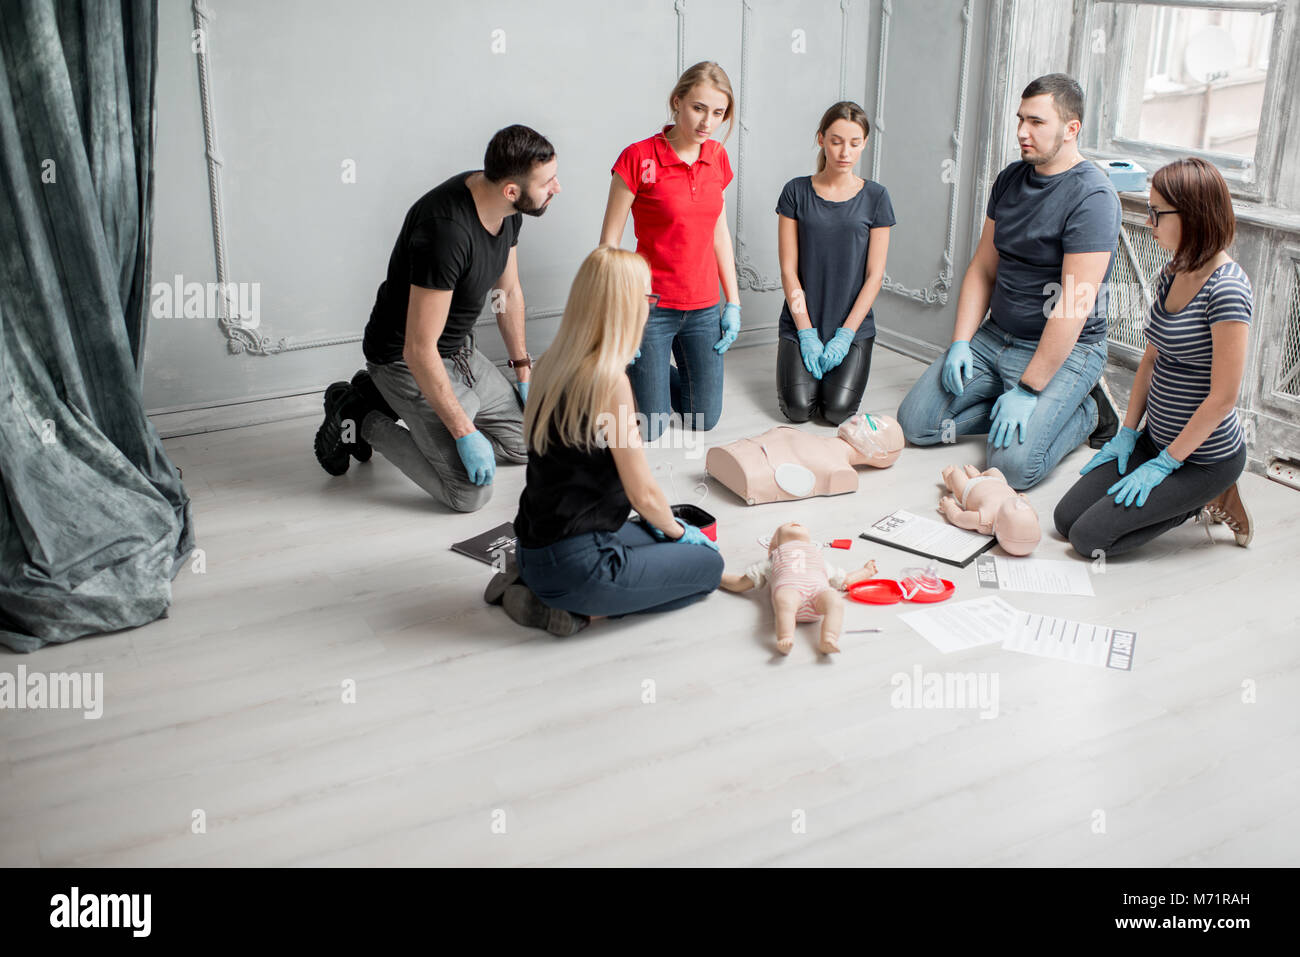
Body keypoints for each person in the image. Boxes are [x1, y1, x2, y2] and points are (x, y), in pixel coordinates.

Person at [313, 125, 561, 513]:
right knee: (468, 494)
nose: (556, 188)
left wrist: (524, 373)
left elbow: (507, 293)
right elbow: (418, 348)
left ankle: (397, 400)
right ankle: (358, 413)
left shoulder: (509, 208)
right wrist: (464, 431)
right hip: (404, 358)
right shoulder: (445, 232)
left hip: (457, 350)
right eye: (548, 182)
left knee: (529, 445)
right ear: (512, 189)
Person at [895, 73, 1122, 490]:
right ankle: (1013, 396)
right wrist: (962, 340)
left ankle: (1088, 410)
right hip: (994, 337)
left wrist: (1031, 388)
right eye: (1020, 119)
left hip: (1064, 348)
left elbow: (1073, 307)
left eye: (1036, 122)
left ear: (1071, 129)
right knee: (916, 425)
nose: (1021, 132)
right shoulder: (1011, 179)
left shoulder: (1093, 198)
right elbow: (983, 268)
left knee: (1013, 469)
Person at [485, 246, 724, 637]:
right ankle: (569, 612)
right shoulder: (610, 382)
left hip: (532, 547)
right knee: (708, 570)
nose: (651, 306)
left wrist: (666, 526)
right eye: (648, 298)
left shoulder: (550, 363)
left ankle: (528, 583)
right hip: (577, 566)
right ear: (627, 307)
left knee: (654, 530)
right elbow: (643, 494)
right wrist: (683, 535)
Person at [1054, 157, 1253, 557]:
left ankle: (1206, 497)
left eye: (1156, 213)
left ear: (1192, 215)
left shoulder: (1228, 290)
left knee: (1088, 539)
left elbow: (1223, 398)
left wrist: (1166, 465)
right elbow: (1150, 360)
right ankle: (1174, 484)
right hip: (1153, 441)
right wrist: (1128, 432)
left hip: (1203, 459)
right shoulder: (1171, 271)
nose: (1149, 222)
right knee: (1065, 520)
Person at [599, 61, 741, 442]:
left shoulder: (717, 158)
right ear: (676, 102)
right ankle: (633, 369)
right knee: (652, 428)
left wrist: (734, 302)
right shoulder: (637, 158)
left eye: (718, 113)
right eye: (698, 108)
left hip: (704, 308)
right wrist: (617, 318)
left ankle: (654, 372)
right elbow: (608, 245)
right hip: (651, 306)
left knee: (704, 420)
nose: (706, 122)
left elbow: (720, 233)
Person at [776, 101, 893, 425]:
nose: (845, 152)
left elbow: (875, 276)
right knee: (798, 410)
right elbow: (788, 269)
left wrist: (845, 335)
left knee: (836, 412)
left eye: (854, 143)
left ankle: (844, 349)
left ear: (864, 144)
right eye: (836, 141)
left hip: (852, 327)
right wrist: (806, 333)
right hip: (803, 322)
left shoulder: (876, 197)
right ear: (821, 139)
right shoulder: (796, 192)